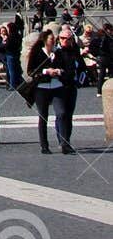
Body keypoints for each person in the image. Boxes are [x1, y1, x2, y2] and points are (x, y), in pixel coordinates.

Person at [27, 26, 78, 154]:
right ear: (45, 40)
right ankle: (44, 145)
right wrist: (46, 71)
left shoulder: (58, 52)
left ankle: (64, 143)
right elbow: (31, 71)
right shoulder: (37, 52)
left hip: (57, 86)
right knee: (43, 117)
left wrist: (58, 71)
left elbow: (65, 68)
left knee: (62, 113)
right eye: (51, 38)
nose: (53, 40)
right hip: (41, 88)